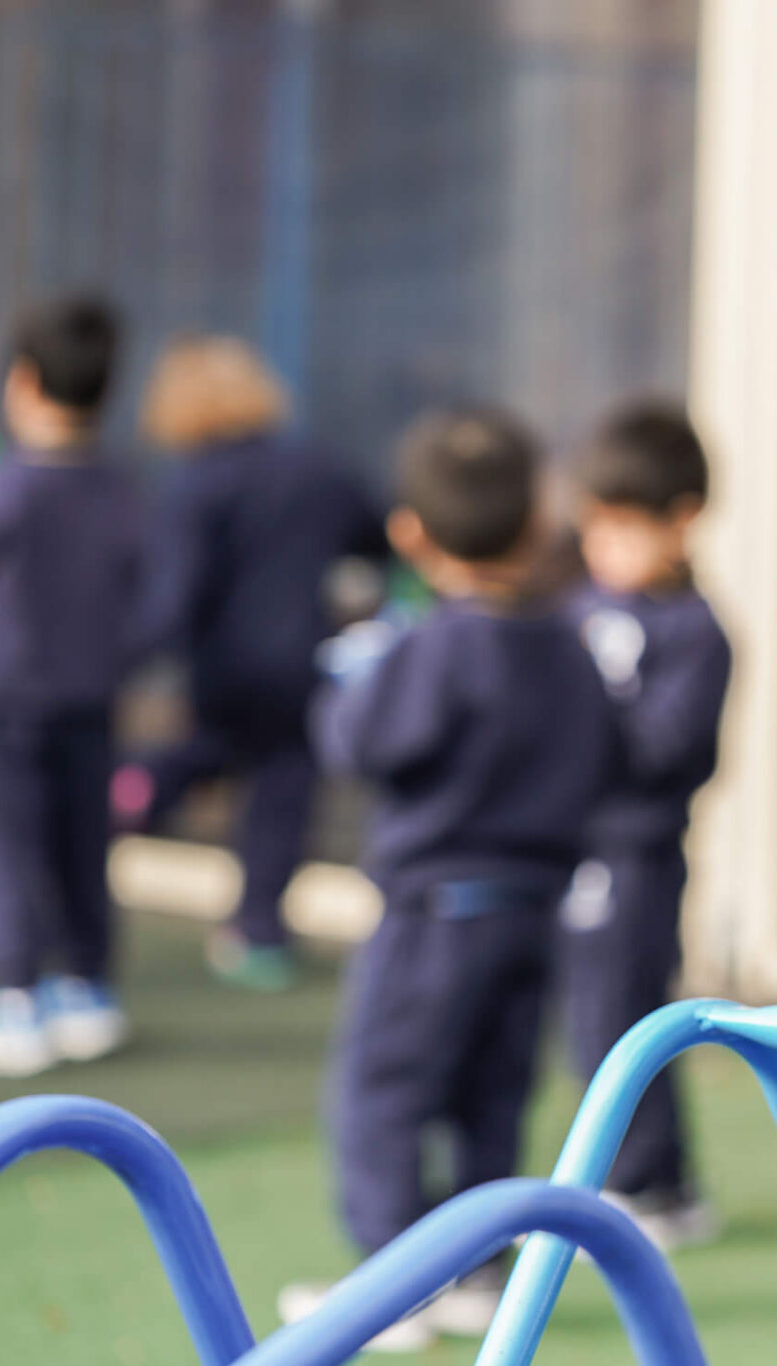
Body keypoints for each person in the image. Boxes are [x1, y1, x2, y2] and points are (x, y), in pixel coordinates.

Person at [281, 407, 616, 1350]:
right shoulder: (569, 640)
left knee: (383, 1092)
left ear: (411, 537)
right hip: (534, 910)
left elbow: (357, 742)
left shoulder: (432, 645)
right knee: (491, 1096)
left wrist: (352, 672)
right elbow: (605, 754)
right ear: (536, 522)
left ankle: (392, 1286)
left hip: (433, 916)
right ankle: (478, 1271)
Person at [119, 335, 385, 990]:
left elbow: (176, 593)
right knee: (283, 793)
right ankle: (259, 933)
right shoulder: (317, 466)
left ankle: (128, 794)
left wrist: (130, 658)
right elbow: (375, 539)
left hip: (227, 668)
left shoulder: (197, 483)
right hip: (303, 665)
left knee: (206, 752)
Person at [564, 402, 730, 1250]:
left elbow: (664, 749)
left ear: (683, 520)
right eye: (598, 527)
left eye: (626, 529)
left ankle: (655, 1186)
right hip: (568, 850)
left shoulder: (696, 632)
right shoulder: (578, 603)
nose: (607, 548)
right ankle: (628, 1175)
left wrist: (571, 726)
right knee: (579, 1020)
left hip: (637, 858)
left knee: (622, 1015)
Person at [0, 293, 143, 1079]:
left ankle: (15, 996)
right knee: (81, 844)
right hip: (92, 696)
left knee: (12, 845)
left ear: (24, 381)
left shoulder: (2, 491)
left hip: (3, 699)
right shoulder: (122, 490)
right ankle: (85, 988)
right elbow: (159, 595)